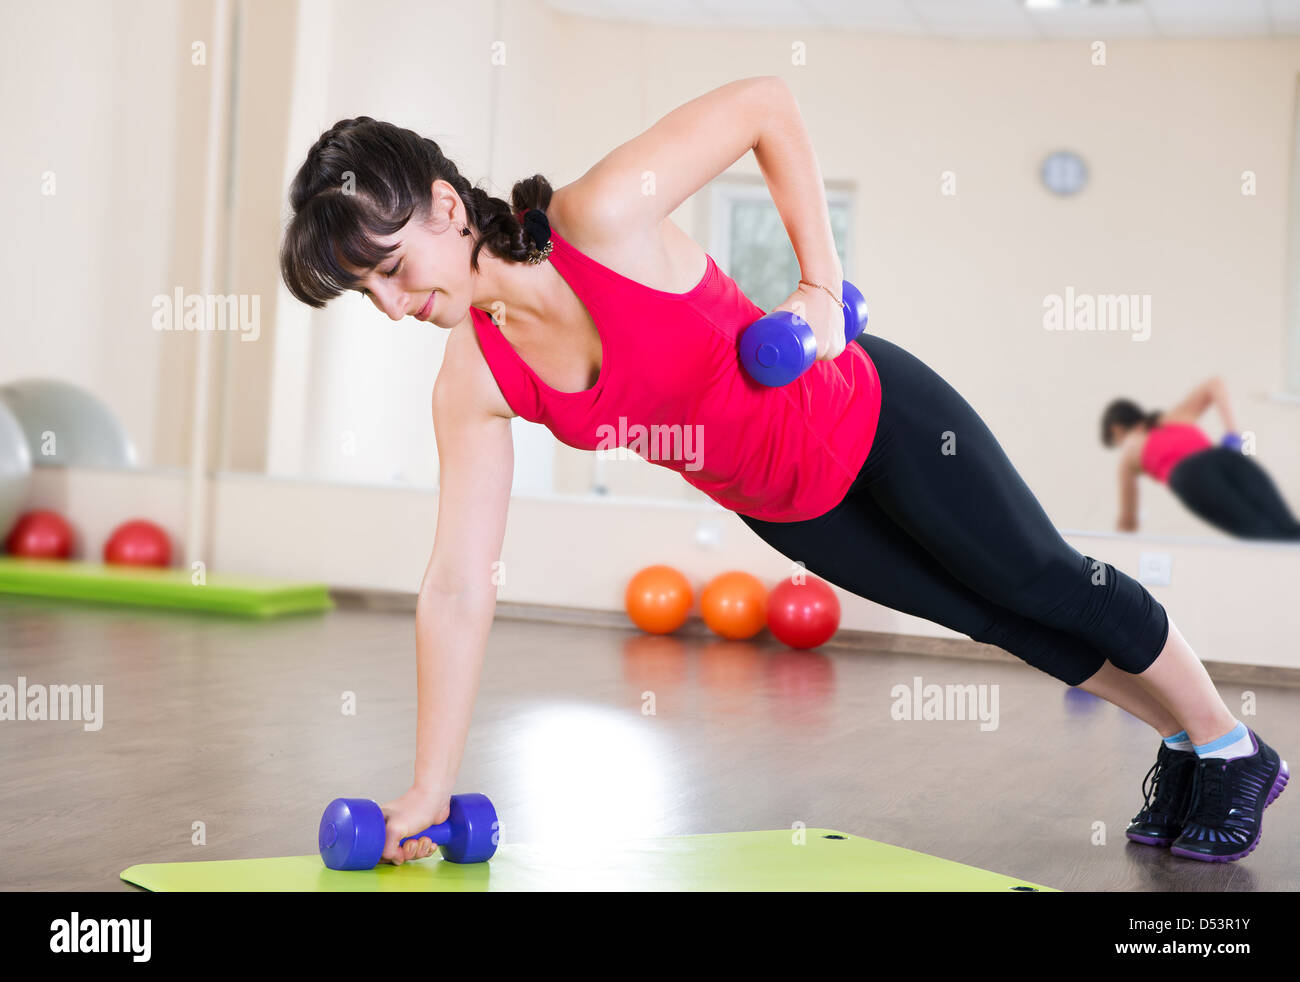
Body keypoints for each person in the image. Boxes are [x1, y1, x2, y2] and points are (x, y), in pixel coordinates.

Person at [279, 76, 1287, 866]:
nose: (394, 304)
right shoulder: (475, 379)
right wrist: (428, 787)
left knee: (1041, 578)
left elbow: (766, 102)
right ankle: (1194, 747)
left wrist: (818, 281)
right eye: (370, 289)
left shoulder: (598, 217)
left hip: (876, 414)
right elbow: (458, 586)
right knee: (995, 621)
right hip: (789, 506)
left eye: (394, 267)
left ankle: (1234, 748)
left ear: (447, 206)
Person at [1101, 387, 1300, 540]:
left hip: (1190, 475)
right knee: (1286, 526)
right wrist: (1232, 433)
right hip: (1224, 457)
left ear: (1117, 430)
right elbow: (1215, 384)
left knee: (1259, 532)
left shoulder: (1129, 452)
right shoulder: (1176, 415)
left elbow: (1128, 522)